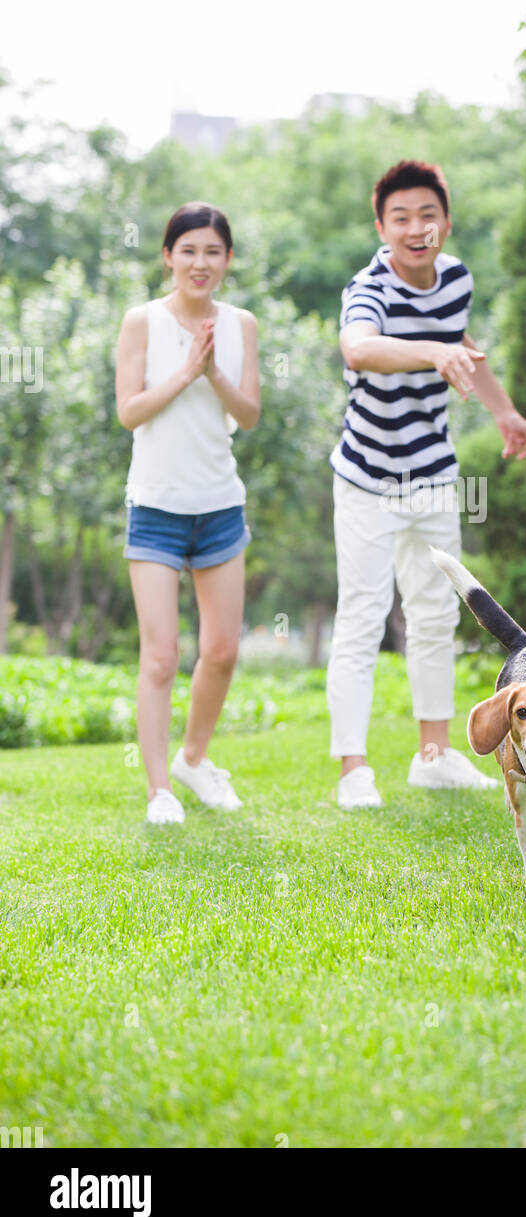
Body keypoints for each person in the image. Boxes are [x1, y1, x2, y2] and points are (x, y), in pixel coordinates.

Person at [327, 160, 526, 810]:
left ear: (445, 221)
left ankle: (433, 755)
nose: (417, 229)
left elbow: (460, 340)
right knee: (363, 614)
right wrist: (431, 351)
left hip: (432, 473)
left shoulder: (454, 277)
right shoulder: (370, 288)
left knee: (436, 611)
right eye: (401, 218)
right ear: (381, 226)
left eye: (428, 215)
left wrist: (502, 409)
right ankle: (353, 770)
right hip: (367, 475)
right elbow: (358, 349)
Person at [115, 203, 260, 824]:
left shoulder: (241, 324)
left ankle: (194, 760)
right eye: (188, 250)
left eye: (213, 252)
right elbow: (129, 411)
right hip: (156, 506)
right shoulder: (141, 321)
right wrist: (186, 372)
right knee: (161, 656)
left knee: (222, 650)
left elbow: (248, 414)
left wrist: (214, 373)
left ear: (226, 260)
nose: (200, 263)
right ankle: (159, 791)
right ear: (168, 256)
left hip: (220, 505)